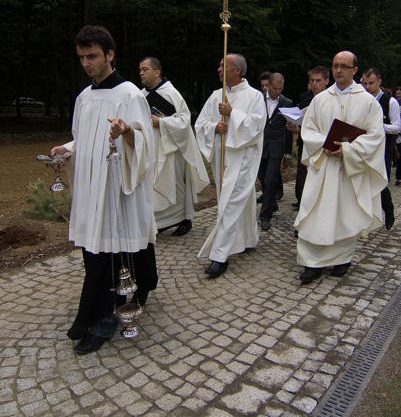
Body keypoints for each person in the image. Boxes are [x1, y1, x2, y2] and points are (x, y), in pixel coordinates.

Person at [50, 25, 158, 354]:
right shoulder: (84, 98)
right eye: (82, 57)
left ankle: (107, 316)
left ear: (109, 55)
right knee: (94, 252)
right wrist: (66, 149)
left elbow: (146, 143)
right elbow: (83, 140)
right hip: (90, 189)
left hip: (118, 190)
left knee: (114, 253)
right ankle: (103, 309)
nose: (86, 63)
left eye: (93, 56)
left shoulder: (130, 95)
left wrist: (127, 132)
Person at [294, 51, 386, 283]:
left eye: (344, 66)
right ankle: (312, 264)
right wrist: (323, 144)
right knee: (315, 214)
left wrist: (347, 150)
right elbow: (309, 130)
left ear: (355, 70)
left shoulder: (368, 102)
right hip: (323, 166)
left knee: (345, 214)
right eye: (335, 65)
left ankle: (342, 259)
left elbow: (375, 135)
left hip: (348, 169)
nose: (338, 70)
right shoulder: (320, 99)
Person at [195, 54, 267, 277]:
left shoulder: (254, 96)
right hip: (221, 156)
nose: (218, 69)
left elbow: (256, 126)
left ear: (237, 70)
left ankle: (219, 255)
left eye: (222, 65)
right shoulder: (217, 95)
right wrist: (215, 127)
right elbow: (201, 123)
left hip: (242, 158)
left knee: (230, 202)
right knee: (236, 200)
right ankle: (248, 238)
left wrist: (232, 114)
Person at [138, 56, 210, 236]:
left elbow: (185, 121)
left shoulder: (171, 93)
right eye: (140, 69)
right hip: (152, 148)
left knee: (175, 184)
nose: (141, 73)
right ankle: (161, 220)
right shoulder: (141, 95)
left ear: (157, 72)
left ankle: (185, 219)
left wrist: (161, 122)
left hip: (172, 148)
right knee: (155, 183)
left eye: (145, 69)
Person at [361, 67, 400, 229]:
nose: (367, 87)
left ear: (379, 82)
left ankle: (388, 210)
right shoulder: (361, 100)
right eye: (364, 83)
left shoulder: (390, 101)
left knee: (380, 183)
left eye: (371, 83)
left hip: (384, 148)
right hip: (363, 146)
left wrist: (379, 126)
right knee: (363, 183)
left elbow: (397, 127)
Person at [288, 66, 329, 210]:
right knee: (302, 179)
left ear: (327, 81)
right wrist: (296, 129)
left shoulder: (331, 101)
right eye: (312, 80)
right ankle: (303, 210)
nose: (314, 84)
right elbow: (302, 125)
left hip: (325, 147)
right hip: (305, 145)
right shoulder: (305, 100)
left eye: (318, 80)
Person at [257, 73, 294, 230]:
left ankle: (265, 215)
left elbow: (290, 130)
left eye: (280, 88)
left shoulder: (288, 103)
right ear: (267, 85)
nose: (277, 91)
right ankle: (271, 203)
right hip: (259, 147)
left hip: (276, 148)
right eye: (274, 88)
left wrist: (288, 154)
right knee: (263, 179)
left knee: (271, 180)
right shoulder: (257, 99)